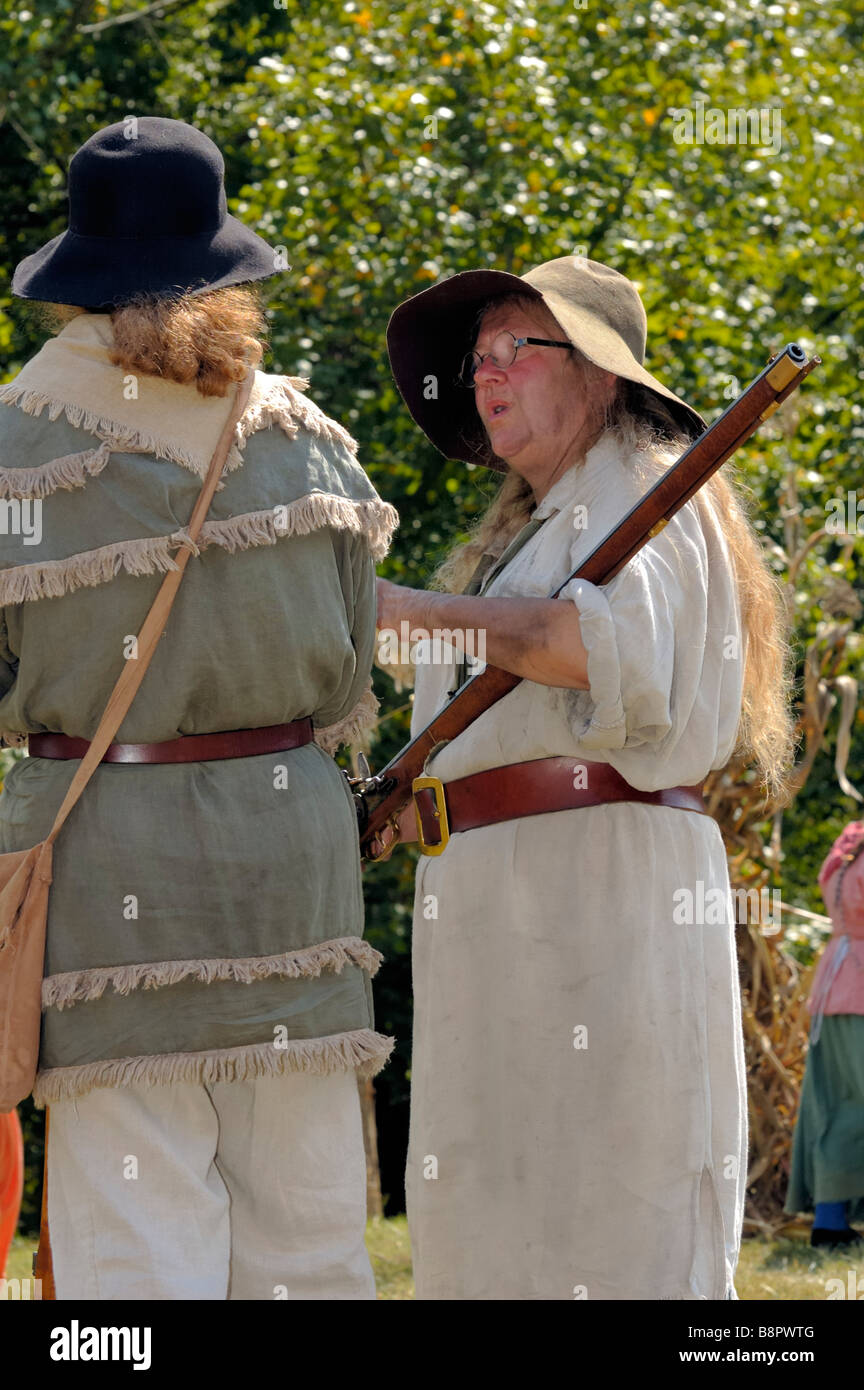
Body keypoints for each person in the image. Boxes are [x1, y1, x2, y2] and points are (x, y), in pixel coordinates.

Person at [0, 116, 398, 1299]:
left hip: (106, 864)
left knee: (135, 1232)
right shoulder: (312, 443)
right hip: (291, 863)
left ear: (76, 279)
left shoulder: (14, 446)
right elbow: (347, 680)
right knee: (308, 1227)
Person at [370, 255, 797, 1299]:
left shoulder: (647, 485)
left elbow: (596, 654)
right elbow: (502, 714)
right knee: (496, 1215)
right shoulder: (525, 531)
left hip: (600, 886)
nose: (488, 372)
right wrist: (403, 799)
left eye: (521, 346)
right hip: (499, 897)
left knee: (614, 1212)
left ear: (600, 373)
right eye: (478, 358)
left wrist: (405, 608)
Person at [785, 820, 864, 1246]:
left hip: (834, 985)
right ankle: (831, 1223)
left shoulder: (848, 844)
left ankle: (830, 1223)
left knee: (836, 1105)